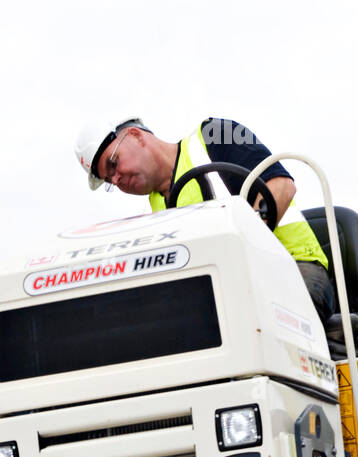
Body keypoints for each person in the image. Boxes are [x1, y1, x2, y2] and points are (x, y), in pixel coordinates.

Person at [74, 116, 334, 328]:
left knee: (248, 324)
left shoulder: (215, 135)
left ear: (136, 135)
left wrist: (244, 251)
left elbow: (281, 186)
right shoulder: (154, 216)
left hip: (293, 269)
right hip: (227, 296)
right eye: (109, 182)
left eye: (113, 164)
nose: (116, 180)